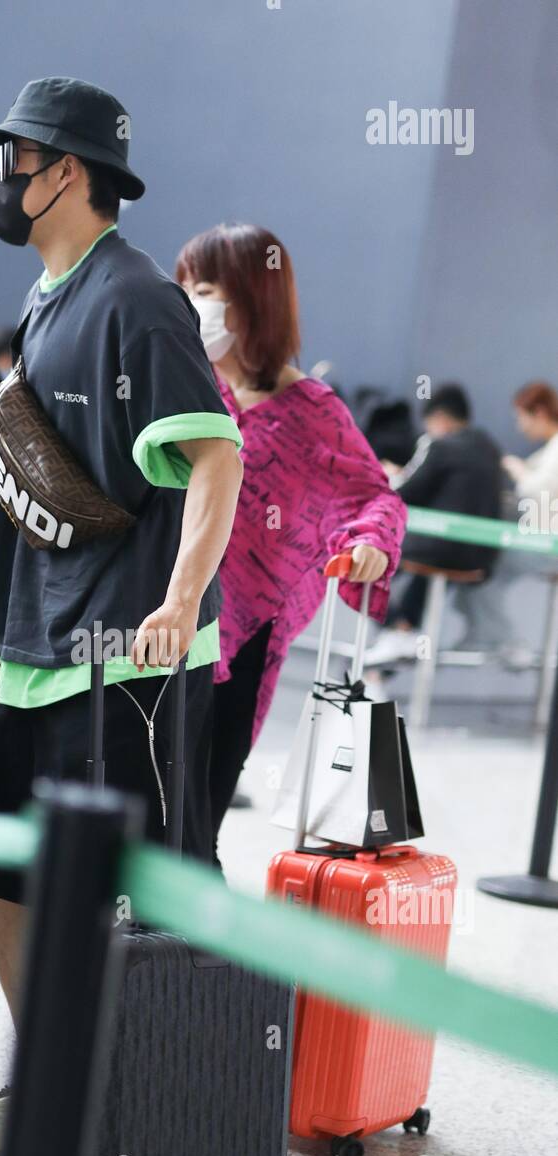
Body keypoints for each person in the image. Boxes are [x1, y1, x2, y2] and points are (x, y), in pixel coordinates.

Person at [0, 77, 244, 1155]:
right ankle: (54, 1085)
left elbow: (214, 454)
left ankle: (148, 1118)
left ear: (67, 170)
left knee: (131, 901)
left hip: (122, 667)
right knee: (0, 872)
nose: (1, 178)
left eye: (16, 157)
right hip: (35, 650)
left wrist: (180, 596)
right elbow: (34, 492)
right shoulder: (52, 295)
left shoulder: (135, 298)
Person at [174, 223, 405, 863]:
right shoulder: (183, 386)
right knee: (140, 793)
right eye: (187, 287)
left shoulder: (311, 409)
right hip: (152, 620)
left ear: (256, 297)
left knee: (200, 813)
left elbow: (373, 496)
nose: (192, 302)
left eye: (208, 289)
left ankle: (183, 950)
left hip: (243, 635)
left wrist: (370, 542)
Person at [365, 384, 504, 665]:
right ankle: (399, 637)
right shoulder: (490, 449)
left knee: (362, 561)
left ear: (439, 418)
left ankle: (395, 629)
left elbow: (404, 492)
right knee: (421, 577)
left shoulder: (438, 445)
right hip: (481, 556)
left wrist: (392, 475)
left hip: (438, 548)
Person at [503, 381, 558, 504]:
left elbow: (542, 492)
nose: (520, 427)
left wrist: (519, 471)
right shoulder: (549, 449)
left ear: (540, 413)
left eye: (521, 417)